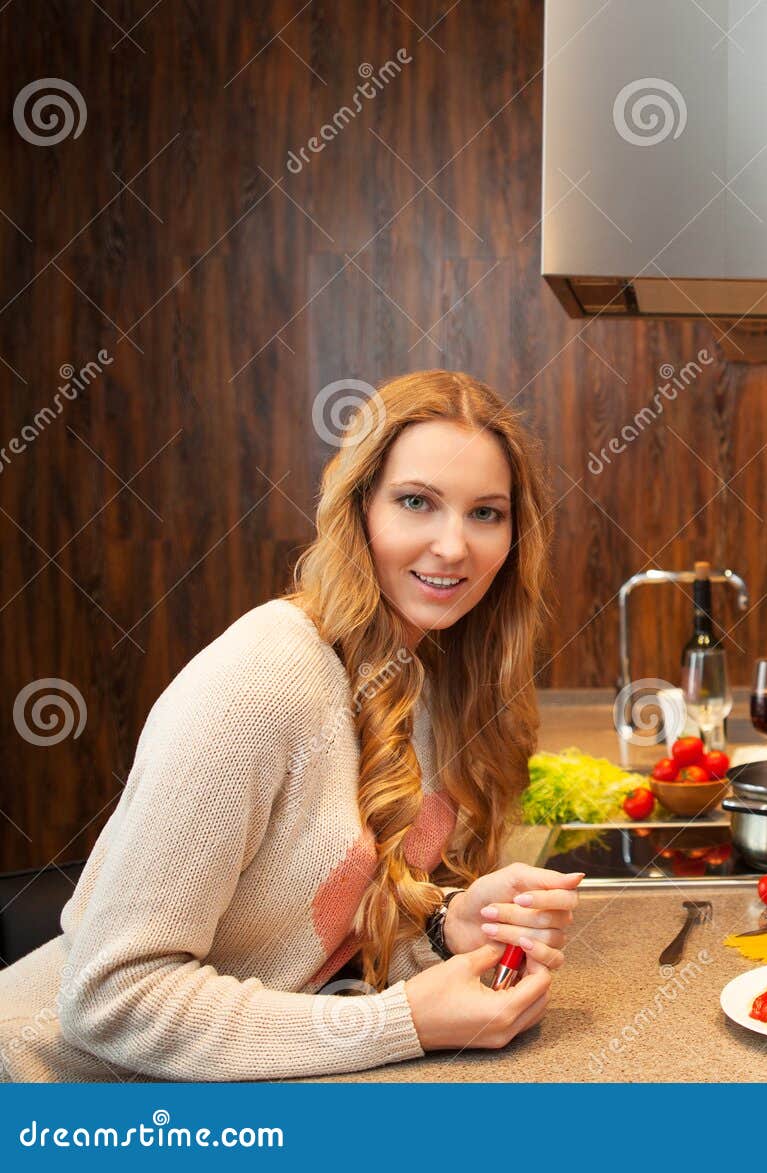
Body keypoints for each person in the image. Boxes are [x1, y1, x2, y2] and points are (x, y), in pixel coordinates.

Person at [0, 370, 582, 1081]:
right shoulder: (264, 678)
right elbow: (109, 997)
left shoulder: (423, 679)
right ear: (359, 509)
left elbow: (304, 945)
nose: (454, 546)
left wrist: (441, 922)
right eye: (416, 502)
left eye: (486, 513)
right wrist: (402, 1021)